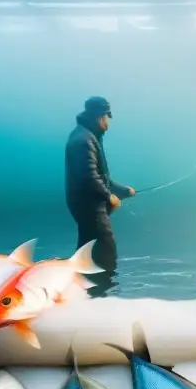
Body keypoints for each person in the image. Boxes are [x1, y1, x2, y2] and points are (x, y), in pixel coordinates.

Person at [64, 96, 135, 294]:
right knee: (105, 245)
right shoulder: (83, 141)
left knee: (90, 245)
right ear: (99, 117)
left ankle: (86, 287)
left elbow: (102, 178)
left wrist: (123, 191)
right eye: (107, 117)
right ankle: (103, 290)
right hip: (87, 204)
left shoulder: (88, 136)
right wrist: (109, 196)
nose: (108, 123)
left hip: (88, 201)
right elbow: (89, 177)